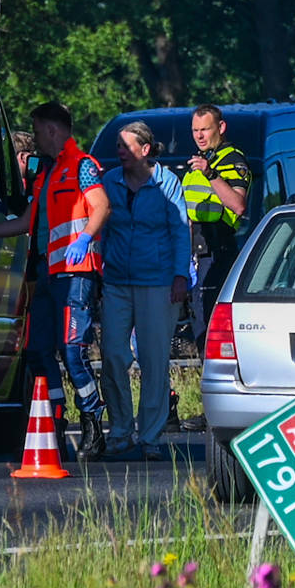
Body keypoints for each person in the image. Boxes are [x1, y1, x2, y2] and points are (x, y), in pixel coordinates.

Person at [0, 102, 111, 458]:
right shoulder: (48, 175)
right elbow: (26, 222)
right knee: (39, 352)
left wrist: (85, 237)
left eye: (38, 131)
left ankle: (91, 420)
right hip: (45, 275)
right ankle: (54, 422)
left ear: (53, 130)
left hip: (76, 275)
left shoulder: (82, 167)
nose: (36, 139)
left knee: (73, 353)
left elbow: (101, 206)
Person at [98, 121, 192, 460]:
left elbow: (181, 231)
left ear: (145, 149)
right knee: (112, 354)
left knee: (154, 360)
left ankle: (150, 435)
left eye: (125, 145)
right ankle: (121, 428)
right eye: (118, 145)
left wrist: (181, 275)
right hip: (118, 281)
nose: (119, 151)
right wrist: (97, 267)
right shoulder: (110, 181)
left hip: (158, 282)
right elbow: (103, 228)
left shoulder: (167, 183)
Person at [180, 104, 249, 352]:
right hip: (195, 253)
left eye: (205, 130)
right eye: (195, 130)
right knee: (198, 323)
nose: (199, 136)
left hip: (217, 251)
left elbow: (239, 205)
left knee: (210, 325)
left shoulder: (232, 160)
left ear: (221, 127)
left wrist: (211, 174)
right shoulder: (199, 161)